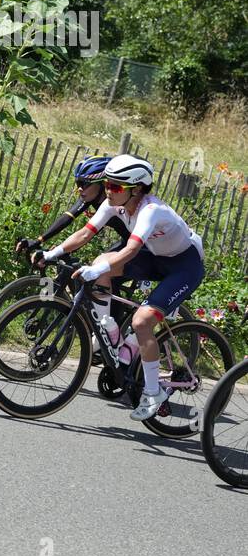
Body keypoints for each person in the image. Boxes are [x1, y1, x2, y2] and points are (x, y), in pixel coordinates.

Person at [33, 155, 204, 421]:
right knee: (102, 260)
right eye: (107, 184)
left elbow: (131, 249)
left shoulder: (151, 210)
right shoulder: (116, 205)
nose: (108, 191)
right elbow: (85, 233)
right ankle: (110, 333)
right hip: (156, 259)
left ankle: (152, 391)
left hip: (184, 266)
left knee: (142, 321)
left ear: (136, 189)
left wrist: (97, 270)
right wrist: (52, 252)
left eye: (115, 187)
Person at [16, 155, 127, 256]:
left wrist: (64, 249)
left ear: (103, 183)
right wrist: (39, 240)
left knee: (102, 273)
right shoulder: (91, 197)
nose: (79, 188)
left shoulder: (117, 203)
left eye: (85, 184)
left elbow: (87, 234)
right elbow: (68, 217)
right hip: (128, 242)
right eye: (78, 183)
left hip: (139, 245)